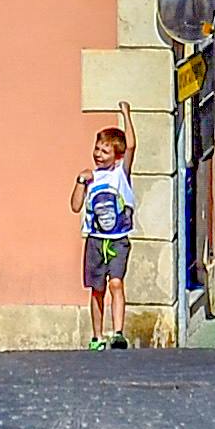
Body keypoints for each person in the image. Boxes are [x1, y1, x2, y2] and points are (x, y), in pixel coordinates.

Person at [77, 123, 138, 348]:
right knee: (97, 289)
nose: (98, 155)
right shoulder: (91, 178)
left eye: (105, 151)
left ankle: (118, 332)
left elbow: (131, 145)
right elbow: (75, 206)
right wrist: (80, 181)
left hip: (118, 239)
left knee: (115, 283)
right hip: (95, 239)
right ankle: (97, 335)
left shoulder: (120, 174)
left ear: (117, 156)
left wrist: (126, 114)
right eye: (97, 149)